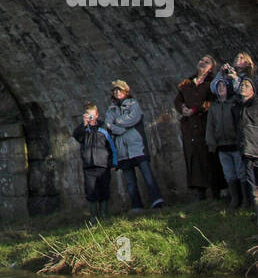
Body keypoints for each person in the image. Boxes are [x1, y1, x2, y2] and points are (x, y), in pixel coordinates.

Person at [104, 80, 164, 212]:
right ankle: (136, 205)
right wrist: (120, 128)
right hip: (122, 151)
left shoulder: (133, 104)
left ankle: (157, 200)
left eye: (119, 90)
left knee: (147, 175)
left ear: (126, 91)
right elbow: (108, 125)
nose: (117, 92)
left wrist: (117, 121)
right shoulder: (111, 109)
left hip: (137, 146)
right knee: (130, 181)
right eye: (115, 91)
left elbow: (133, 118)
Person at [172, 55, 217, 199]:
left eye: (206, 62)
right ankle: (200, 191)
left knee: (209, 156)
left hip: (206, 123)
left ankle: (216, 190)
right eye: (201, 60)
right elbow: (177, 101)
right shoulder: (187, 83)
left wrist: (196, 109)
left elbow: (212, 101)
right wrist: (183, 108)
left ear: (211, 67)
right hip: (190, 126)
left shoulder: (212, 82)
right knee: (194, 157)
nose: (202, 63)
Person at [206, 78, 246, 209]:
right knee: (229, 173)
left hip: (235, 143)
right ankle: (234, 199)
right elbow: (210, 126)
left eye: (223, 86)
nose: (221, 88)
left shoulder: (234, 103)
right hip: (222, 146)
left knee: (241, 172)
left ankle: (245, 198)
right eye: (219, 86)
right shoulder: (214, 106)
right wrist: (211, 142)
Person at [72, 102, 116, 219]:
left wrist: (114, 162)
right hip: (89, 166)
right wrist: (84, 124)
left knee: (104, 190)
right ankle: (93, 217)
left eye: (91, 115)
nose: (90, 117)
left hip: (103, 165)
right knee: (91, 191)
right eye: (87, 115)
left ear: (97, 115)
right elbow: (76, 135)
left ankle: (104, 215)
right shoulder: (84, 131)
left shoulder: (103, 129)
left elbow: (111, 146)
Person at [237, 78, 258, 226]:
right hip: (246, 151)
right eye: (242, 84)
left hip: (256, 150)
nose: (243, 87)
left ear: (253, 90)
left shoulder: (256, 106)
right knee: (252, 186)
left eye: (247, 85)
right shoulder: (237, 106)